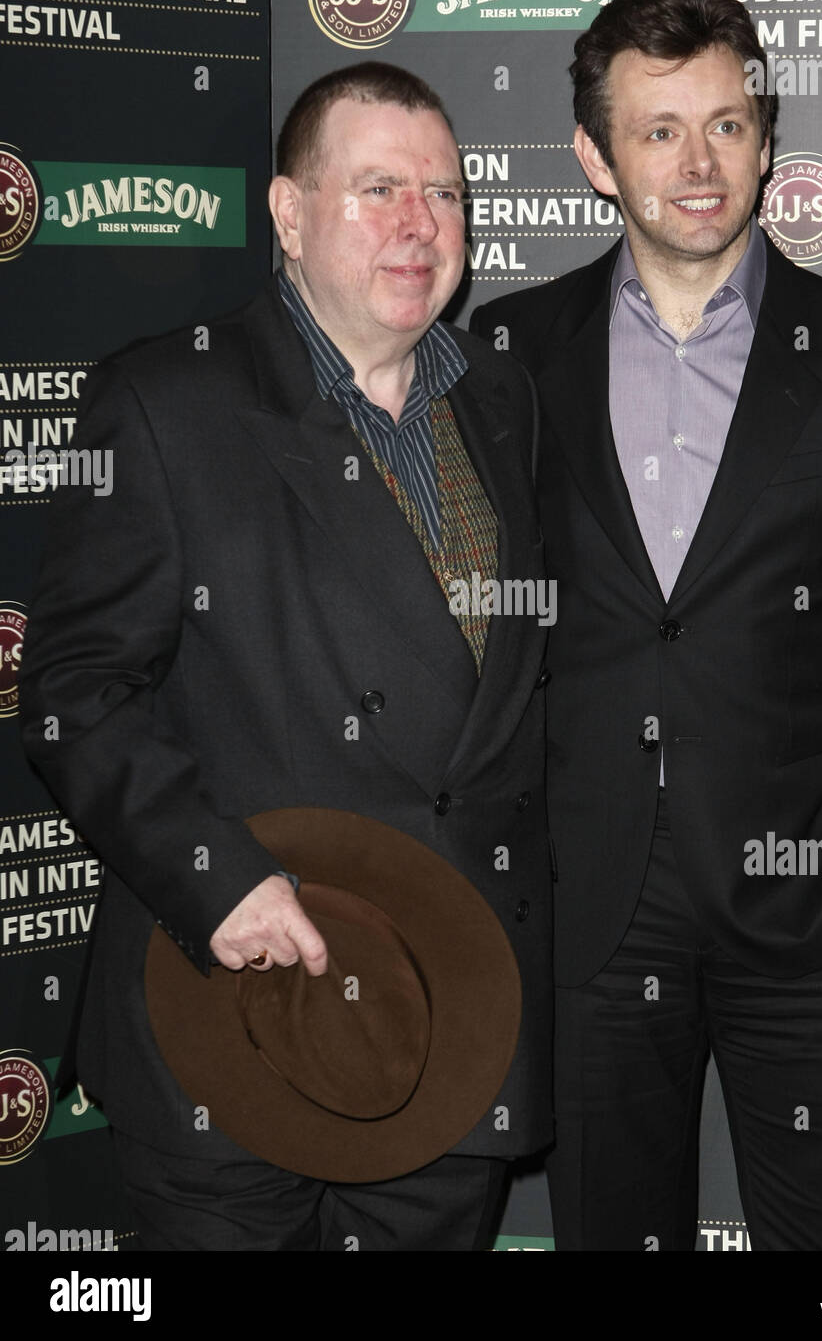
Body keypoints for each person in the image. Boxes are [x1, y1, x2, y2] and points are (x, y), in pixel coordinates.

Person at [471, 0, 822, 1251]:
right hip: (593, 911)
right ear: (594, 155)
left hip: (816, 909)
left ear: (765, 134)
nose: (701, 165)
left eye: (729, 124)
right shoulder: (512, 353)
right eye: (658, 130)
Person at [20, 63, 552, 1251]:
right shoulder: (166, 403)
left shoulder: (506, 402)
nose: (421, 221)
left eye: (446, 193)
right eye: (378, 189)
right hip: (234, 1021)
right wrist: (220, 877)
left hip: (443, 1030)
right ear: (288, 214)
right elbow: (72, 692)